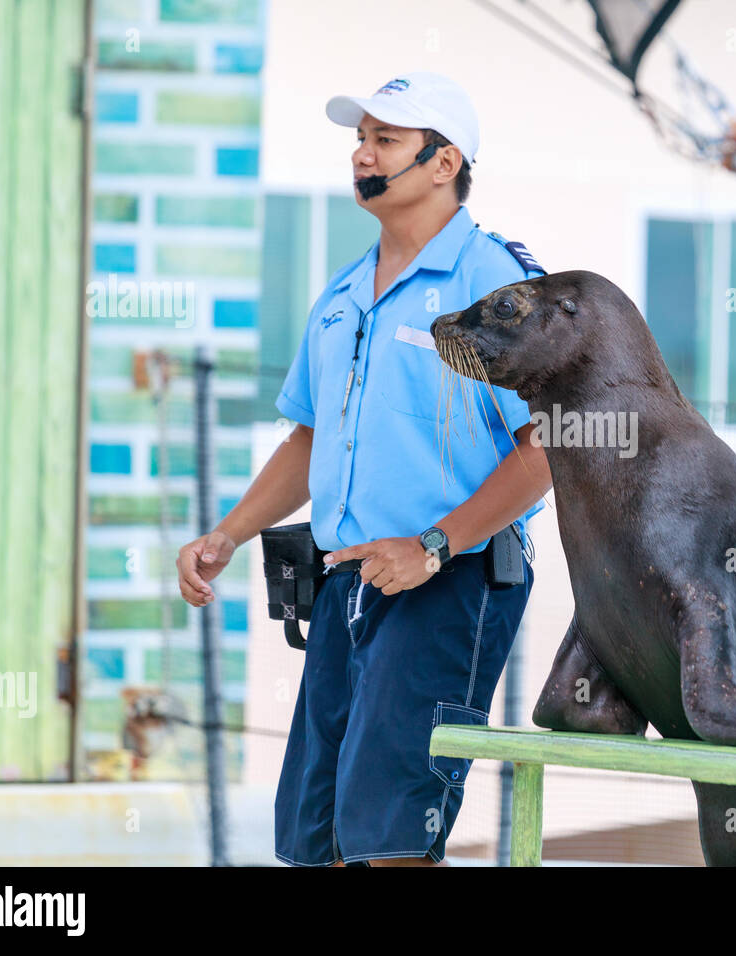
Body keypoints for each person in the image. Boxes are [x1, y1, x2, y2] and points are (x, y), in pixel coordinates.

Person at [175, 71, 553, 866]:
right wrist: (229, 535)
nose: (361, 154)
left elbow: (547, 444)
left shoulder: (498, 285)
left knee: (392, 834)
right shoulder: (344, 294)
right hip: (347, 581)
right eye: (359, 138)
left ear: (444, 163)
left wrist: (434, 547)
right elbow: (308, 440)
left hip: (452, 582)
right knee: (317, 839)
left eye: (386, 140)